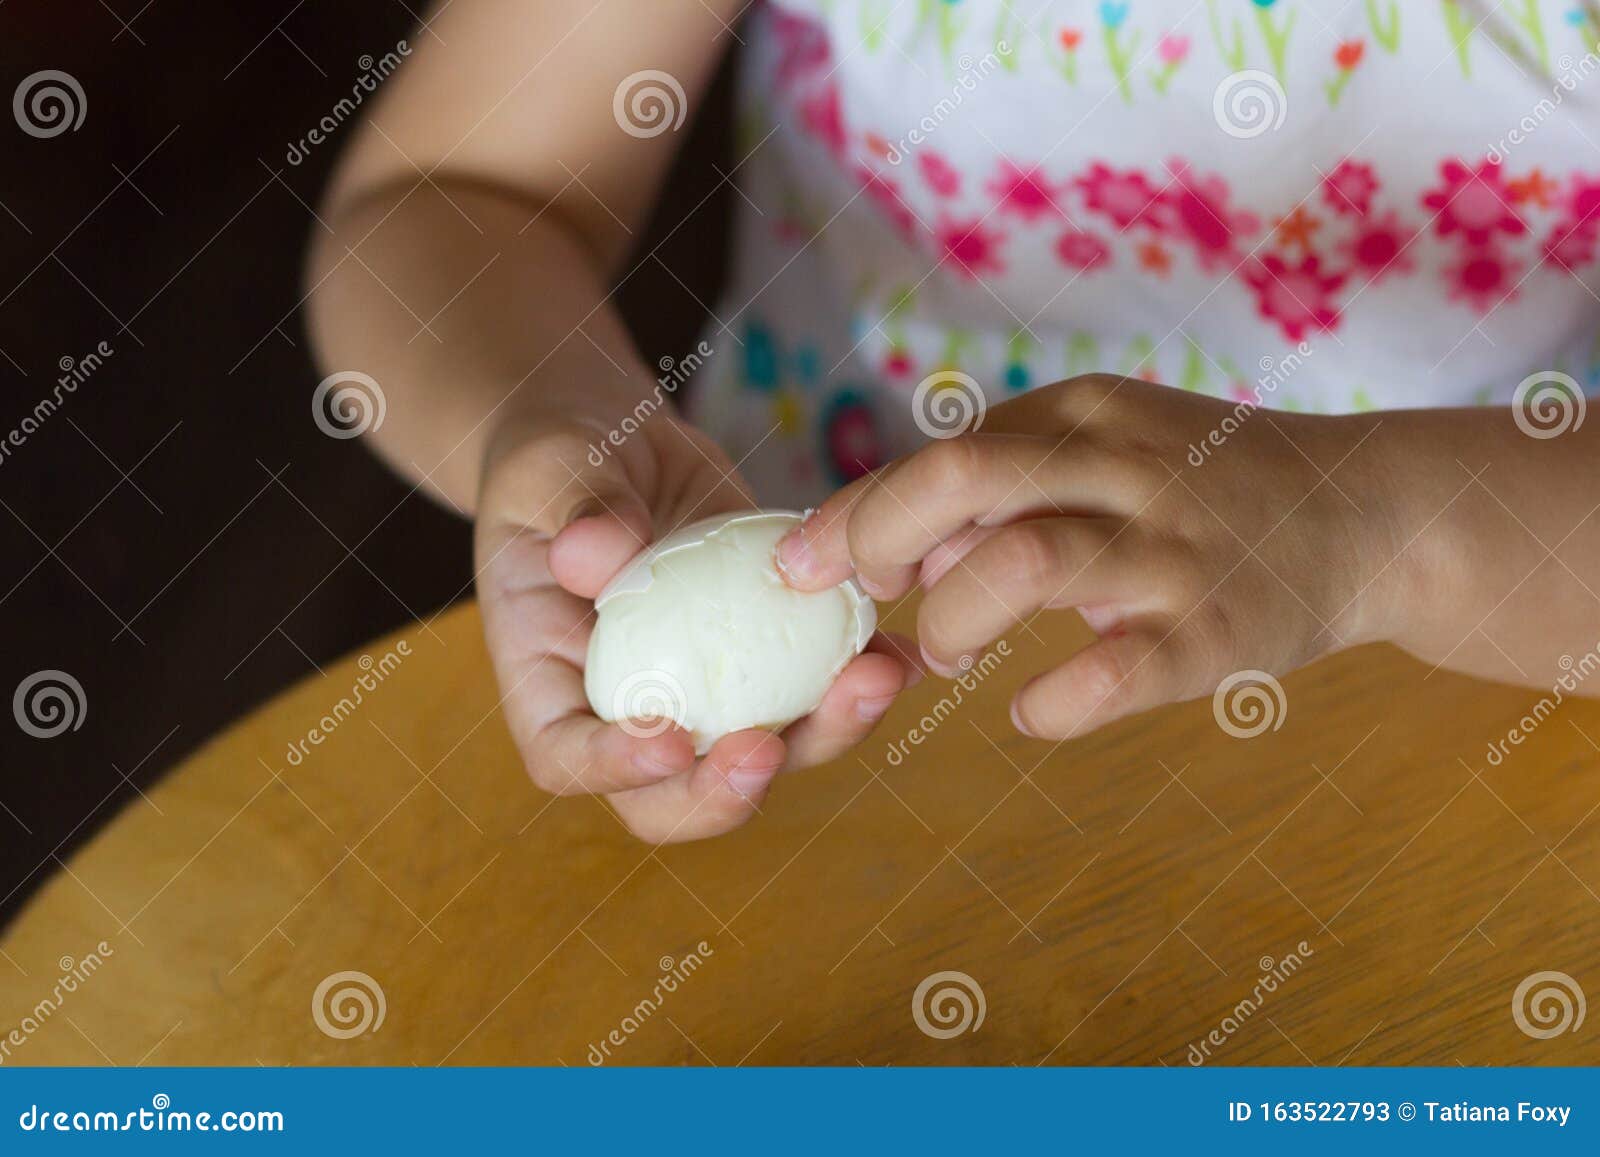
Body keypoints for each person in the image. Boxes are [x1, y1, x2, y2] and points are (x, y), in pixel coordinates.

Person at [307, 0, 1600, 842]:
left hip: (1483, 703)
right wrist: (551, 410)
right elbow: (452, 196)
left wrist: (1377, 532)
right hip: (844, 738)